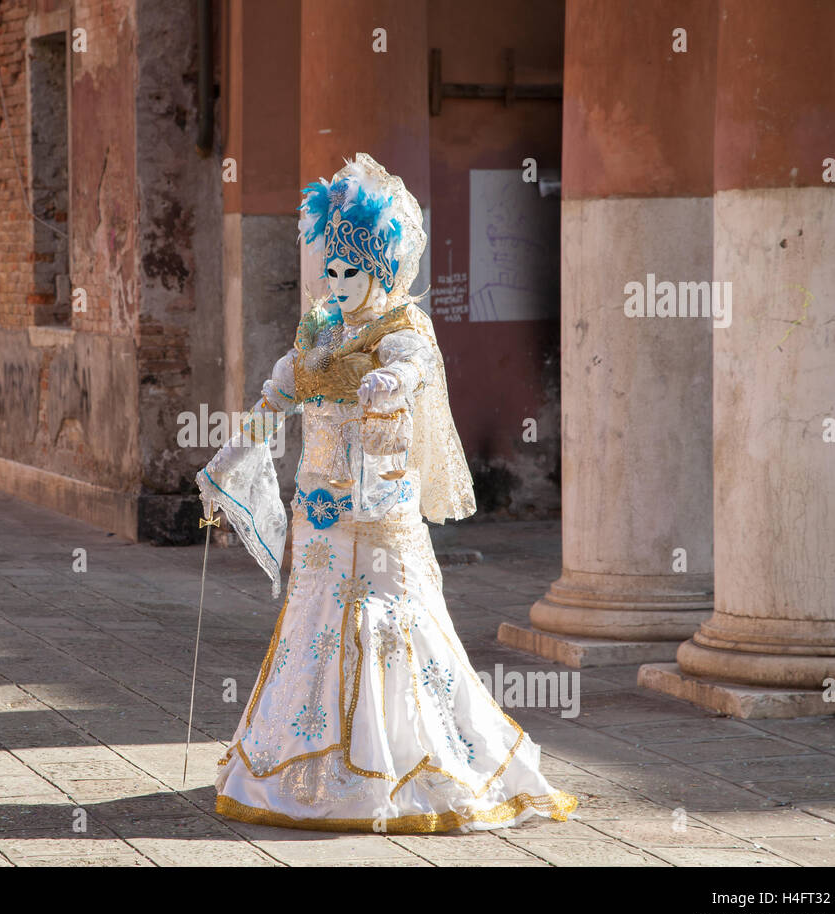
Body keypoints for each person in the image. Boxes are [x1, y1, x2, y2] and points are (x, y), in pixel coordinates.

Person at [195, 153, 577, 833]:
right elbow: (273, 401)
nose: (338, 283)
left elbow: (412, 371)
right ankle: (307, 765)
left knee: (391, 628)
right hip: (318, 522)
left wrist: (385, 386)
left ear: (386, 270)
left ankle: (400, 765)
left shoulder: (403, 330)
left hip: (376, 517)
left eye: (353, 272)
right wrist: (227, 459)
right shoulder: (318, 336)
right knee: (311, 627)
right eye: (332, 271)